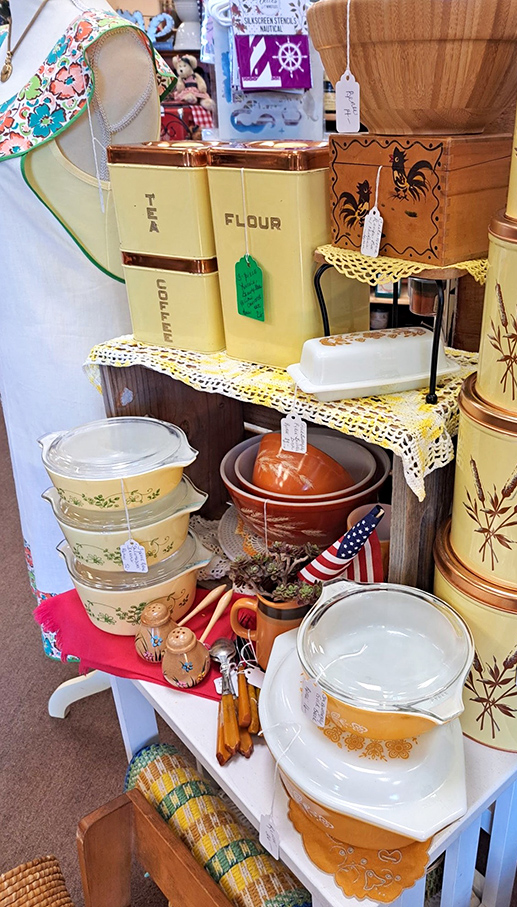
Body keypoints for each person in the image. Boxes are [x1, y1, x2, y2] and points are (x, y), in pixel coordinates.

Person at [0, 0, 174, 658]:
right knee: (49, 510)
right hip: (20, 347)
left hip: (95, 347)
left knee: (122, 525)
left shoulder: (102, 43)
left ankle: (144, 652)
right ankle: (81, 636)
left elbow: (155, 208)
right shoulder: (7, 46)